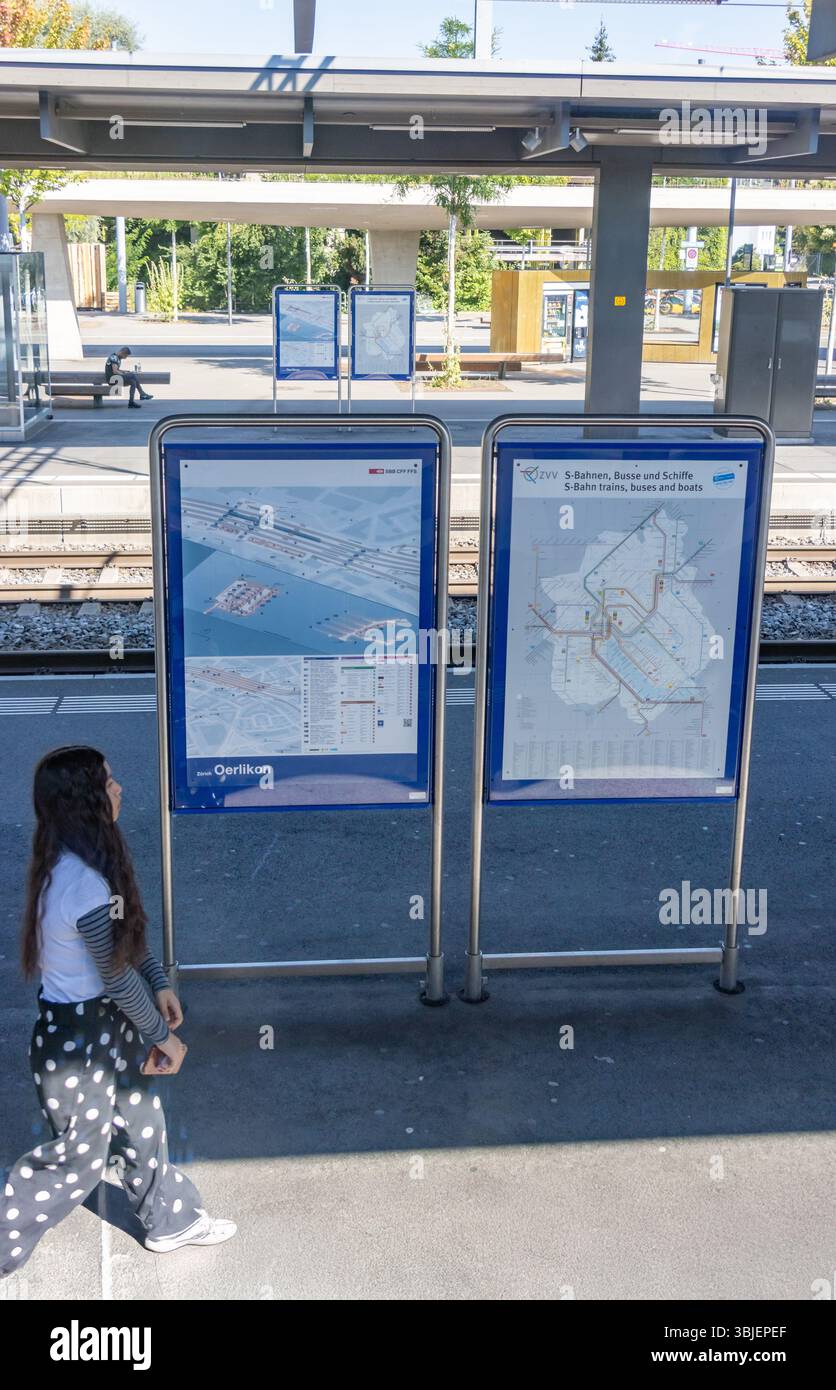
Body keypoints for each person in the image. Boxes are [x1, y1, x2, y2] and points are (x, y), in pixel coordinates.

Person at [1, 746, 236, 1278]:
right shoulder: (80, 880)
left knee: (140, 1119)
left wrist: (159, 983)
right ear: (86, 799)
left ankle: (170, 1218)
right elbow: (113, 974)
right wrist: (162, 1035)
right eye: (108, 781)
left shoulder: (81, 862)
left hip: (101, 1025)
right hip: (79, 1041)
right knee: (76, 1161)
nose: (120, 787)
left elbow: (125, 946)